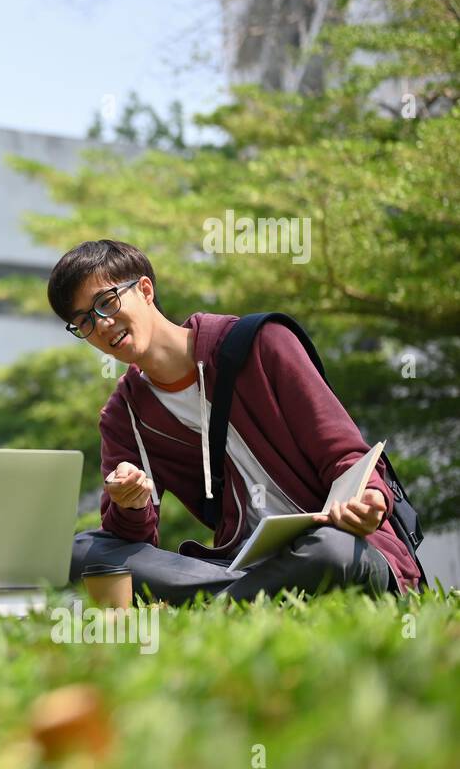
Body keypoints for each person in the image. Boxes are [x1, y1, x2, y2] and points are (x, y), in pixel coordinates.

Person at [52, 239, 421, 603]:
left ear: (145, 290)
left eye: (106, 302)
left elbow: (346, 455)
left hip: (339, 544)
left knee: (330, 551)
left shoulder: (263, 344)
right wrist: (129, 504)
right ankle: (245, 596)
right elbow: (130, 543)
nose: (100, 324)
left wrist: (370, 499)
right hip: (241, 564)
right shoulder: (124, 415)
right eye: (83, 321)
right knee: (84, 551)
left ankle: (218, 604)